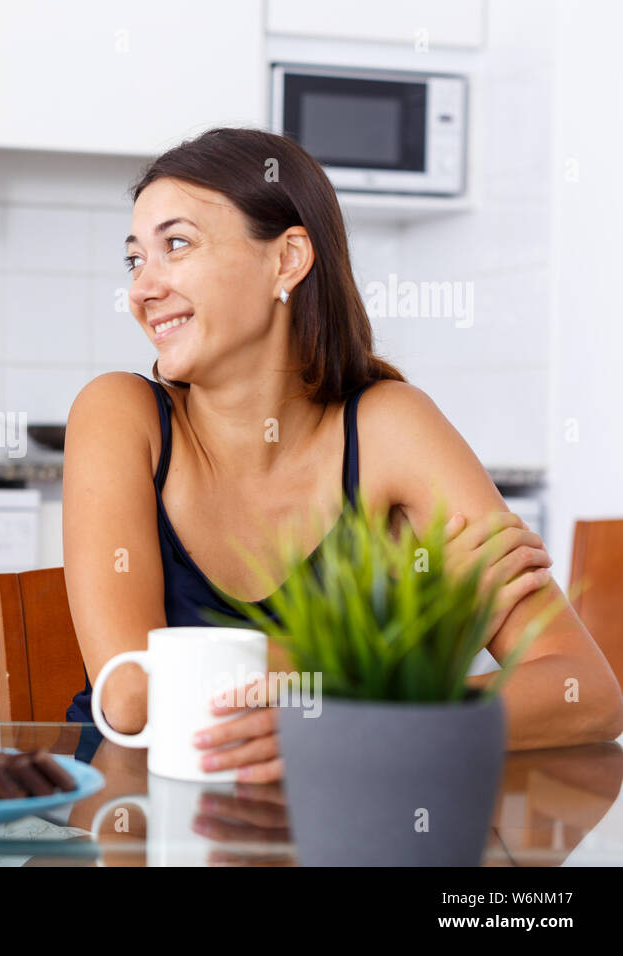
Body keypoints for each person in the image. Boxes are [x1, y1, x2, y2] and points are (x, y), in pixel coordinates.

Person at [62, 127, 623, 774]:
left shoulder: (391, 427)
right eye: (136, 260)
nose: (142, 289)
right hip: (132, 823)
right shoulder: (121, 413)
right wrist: (404, 637)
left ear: (287, 260)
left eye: (177, 246)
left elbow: (585, 694)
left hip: (332, 822)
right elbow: (132, 698)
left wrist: (360, 725)